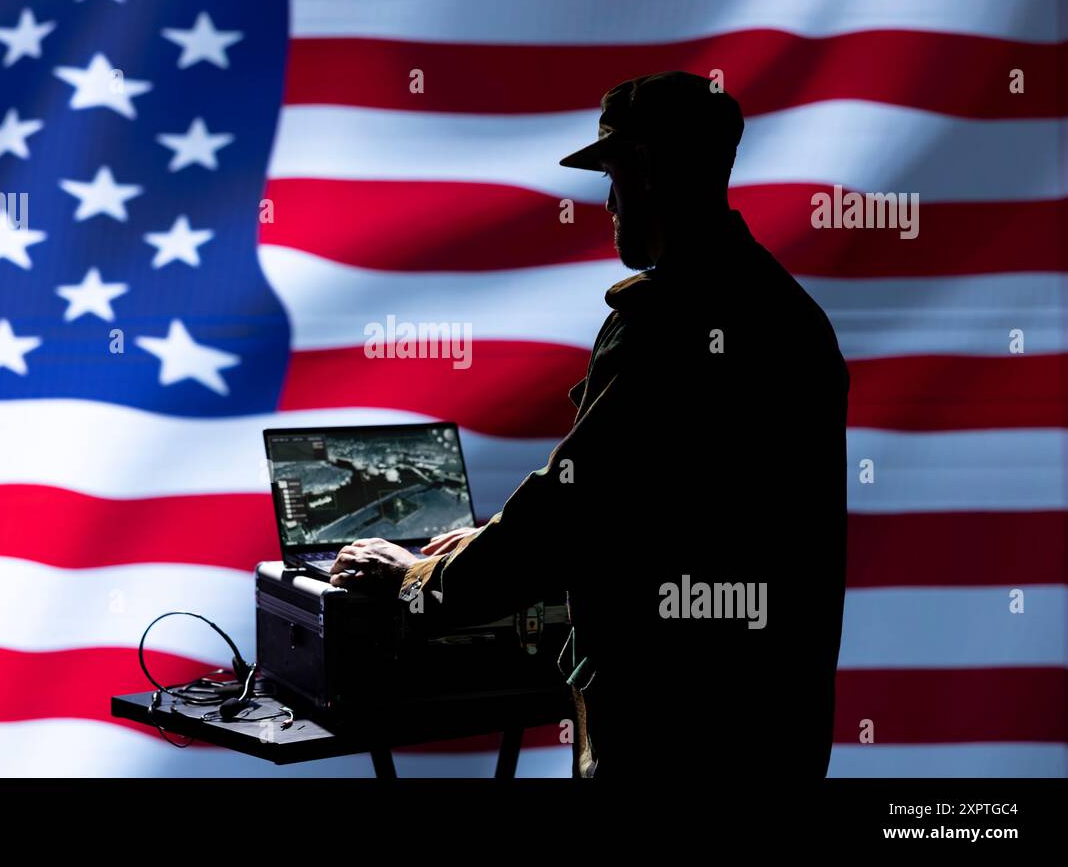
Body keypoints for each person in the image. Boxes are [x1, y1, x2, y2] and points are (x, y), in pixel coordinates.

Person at [329, 71, 849, 779]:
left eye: (612, 174)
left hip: (669, 742)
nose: (606, 202)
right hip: (774, 733)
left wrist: (418, 579)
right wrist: (488, 542)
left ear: (642, 170)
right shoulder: (793, 317)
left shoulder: (666, 324)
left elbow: (569, 516)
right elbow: (668, 504)